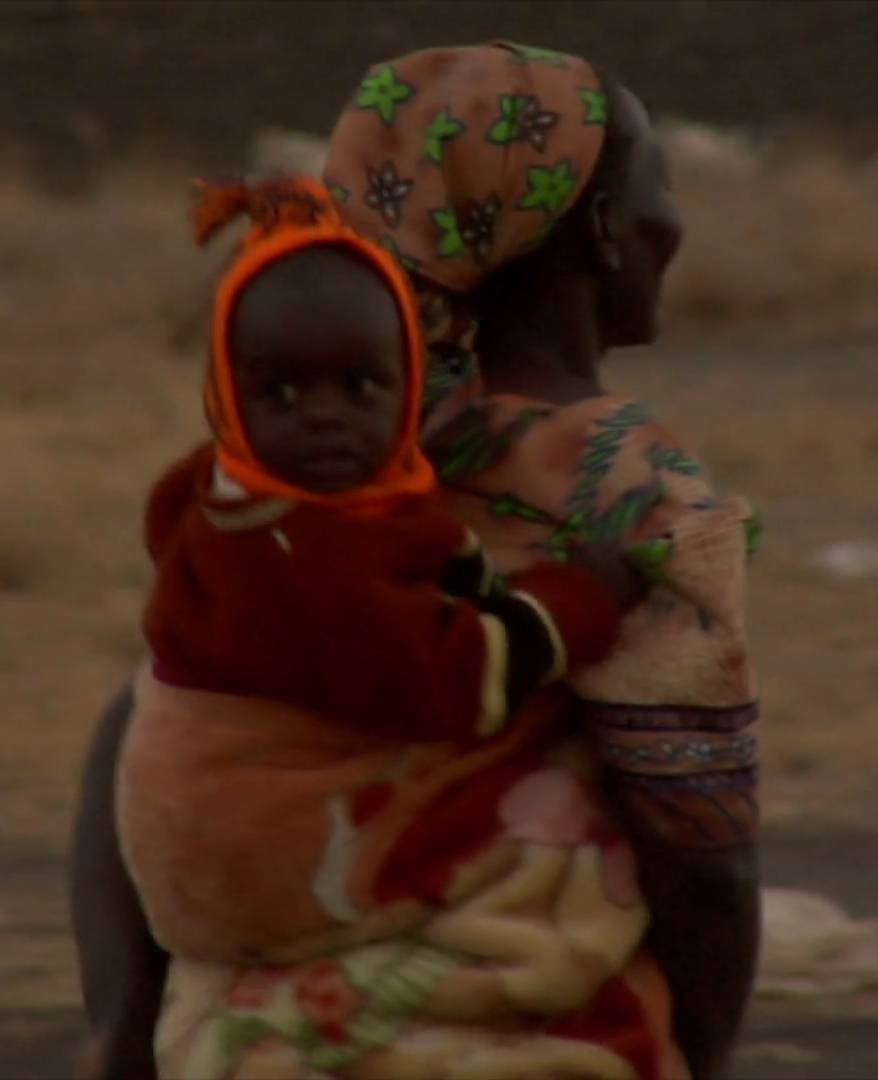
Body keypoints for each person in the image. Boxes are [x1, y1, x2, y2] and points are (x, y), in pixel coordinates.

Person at [72, 42, 762, 1080]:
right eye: (657, 184)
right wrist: (699, 1055)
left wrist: (122, 1033)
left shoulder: (306, 455)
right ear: (608, 226)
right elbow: (698, 840)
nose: (676, 220)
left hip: (247, 1036)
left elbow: (144, 722)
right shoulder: (631, 491)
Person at [125, 173, 651, 971]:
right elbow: (450, 678)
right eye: (281, 391)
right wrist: (580, 601)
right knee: (568, 826)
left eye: (361, 385)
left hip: (197, 836)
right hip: (255, 851)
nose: (325, 415)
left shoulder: (230, 492)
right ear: (227, 396)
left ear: (408, 383)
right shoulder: (298, 548)